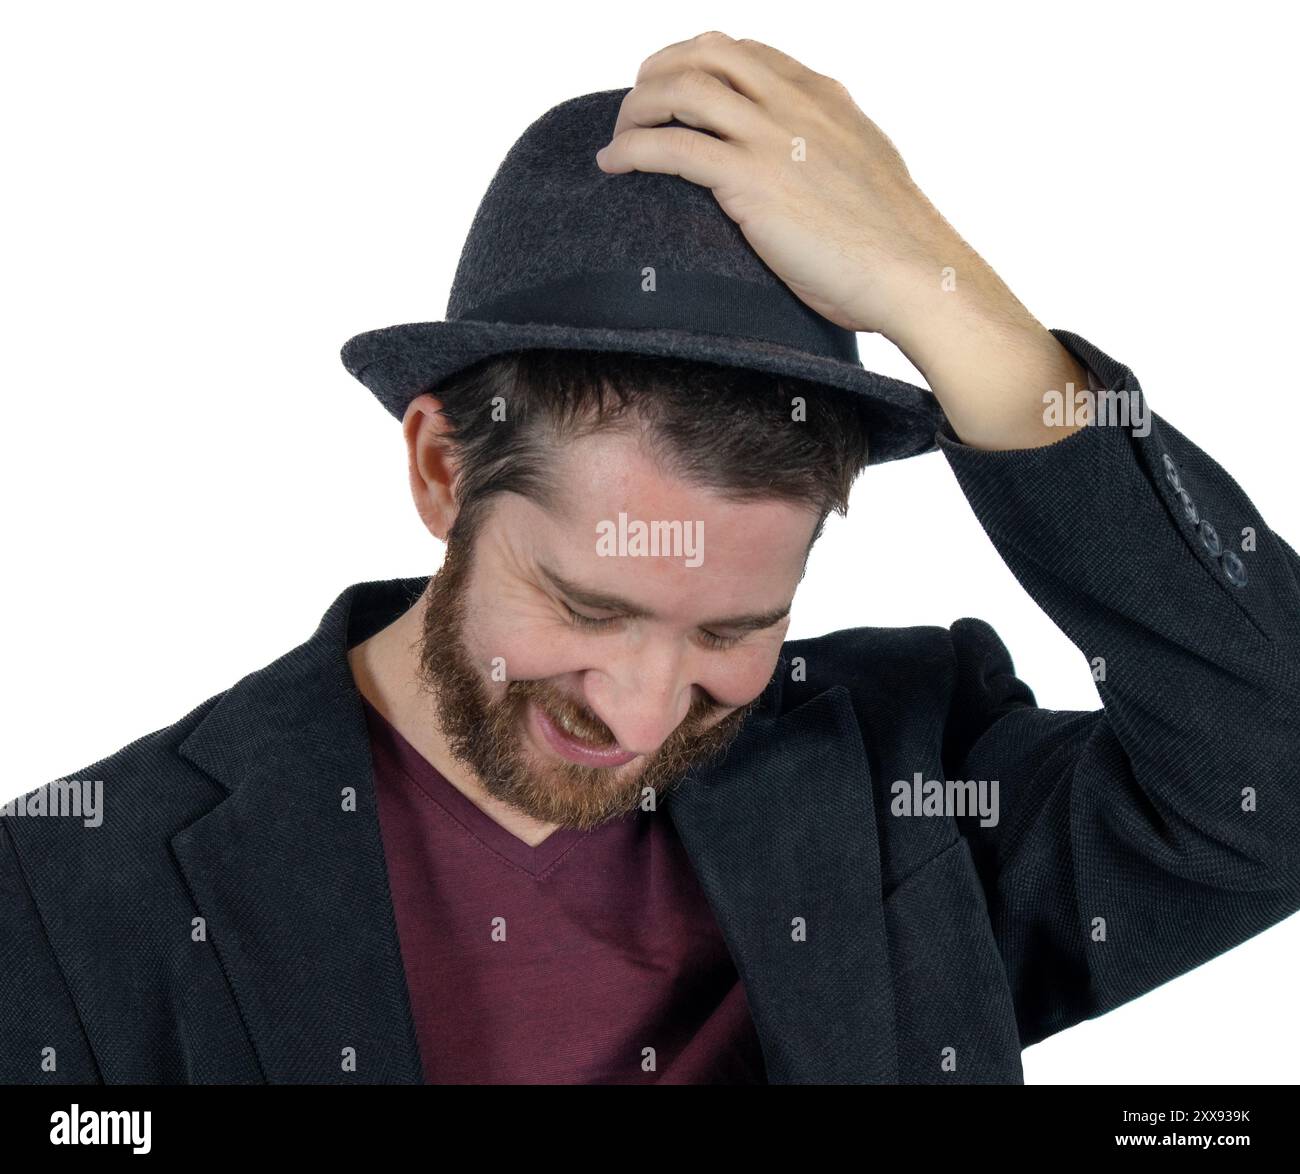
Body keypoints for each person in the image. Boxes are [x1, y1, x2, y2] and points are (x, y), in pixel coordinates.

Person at [3, 32, 1297, 1085]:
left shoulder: (911, 788)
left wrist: (946, 295)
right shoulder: (71, 896)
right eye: (585, 601)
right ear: (442, 471)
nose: (637, 711)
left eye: (733, 629)